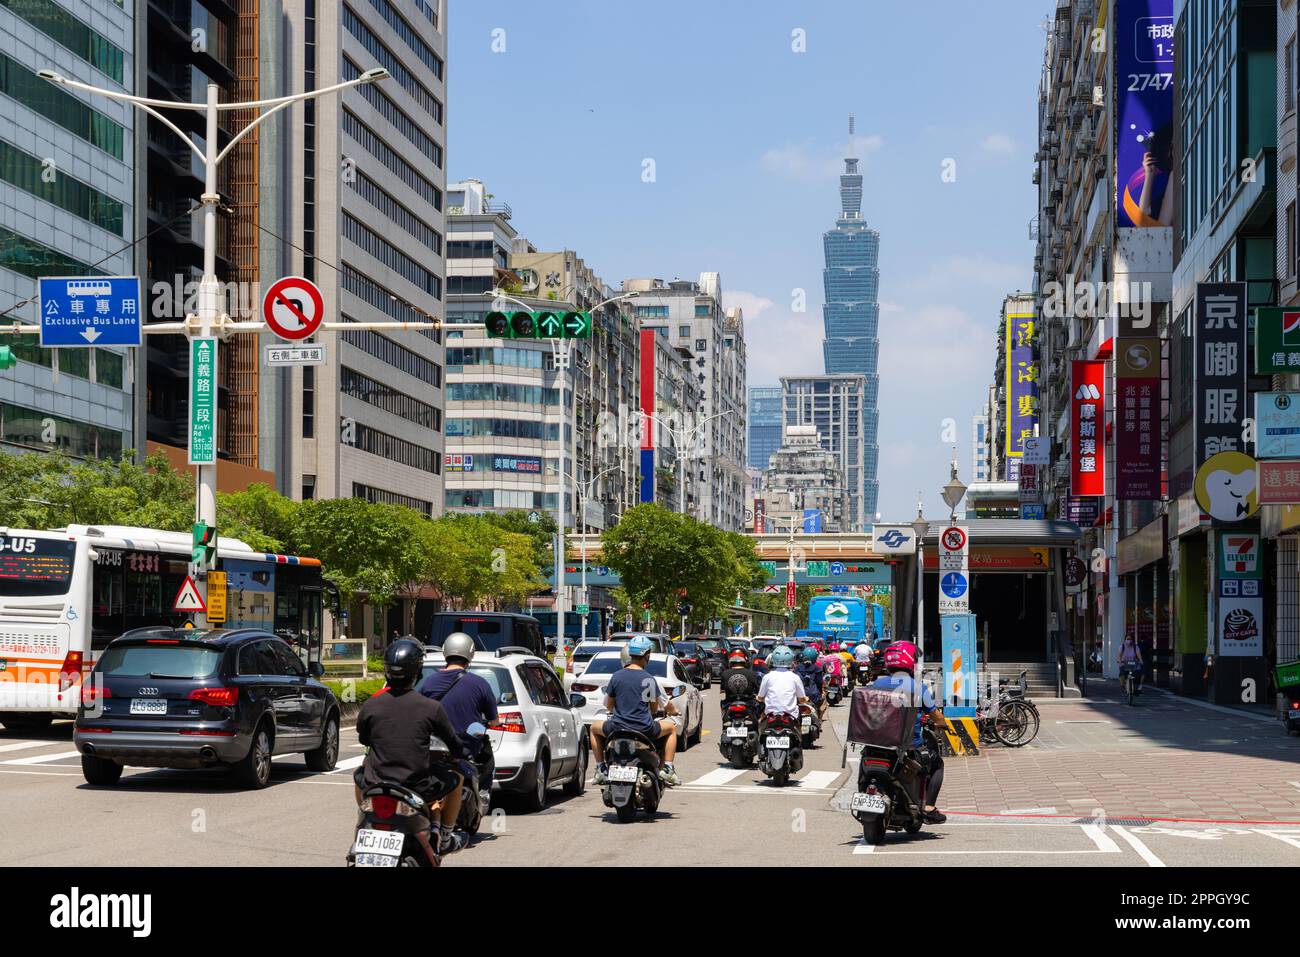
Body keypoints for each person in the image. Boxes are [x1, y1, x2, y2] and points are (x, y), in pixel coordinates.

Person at [356, 638, 466, 860]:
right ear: (417, 672)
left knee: (358, 773)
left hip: (375, 785)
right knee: (458, 777)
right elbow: (455, 746)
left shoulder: (371, 705)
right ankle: (445, 835)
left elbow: (364, 739)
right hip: (416, 786)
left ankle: (364, 816)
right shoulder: (431, 708)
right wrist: (457, 754)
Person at [417, 632, 499, 827]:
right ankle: (483, 795)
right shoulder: (480, 684)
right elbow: (494, 720)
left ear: (445, 652)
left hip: (431, 748)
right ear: (470, 654)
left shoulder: (428, 682)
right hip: (464, 749)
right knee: (487, 759)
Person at [870, 641, 949, 825]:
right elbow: (936, 716)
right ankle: (928, 807)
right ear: (909, 662)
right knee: (937, 764)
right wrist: (943, 725)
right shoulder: (917, 687)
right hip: (908, 746)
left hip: (876, 744)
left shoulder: (876, 684)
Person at [591, 636, 681, 786]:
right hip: (644, 729)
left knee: (594, 729)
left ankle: (601, 767)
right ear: (646, 655)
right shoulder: (649, 679)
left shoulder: (616, 677)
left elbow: (608, 705)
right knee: (671, 729)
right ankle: (668, 768)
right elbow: (653, 709)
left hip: (617, 728)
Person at [757, 645, 808, 723]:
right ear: (791, 659)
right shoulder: (795, 677)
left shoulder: (767, 677)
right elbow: (801, 699)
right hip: (791, 716)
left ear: (773, 659)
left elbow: (760, 697)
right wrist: (806, 699)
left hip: (770, 716)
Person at [719, 649, 761, 716]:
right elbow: (758, 689)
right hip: (748, 703)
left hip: (729, 703)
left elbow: (722, 689)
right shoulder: (751, 673)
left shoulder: (725, 673)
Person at [795, 645, 826, 722]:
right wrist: (821, 693)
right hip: (814, 696)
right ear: (815, 657)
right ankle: (819, 719)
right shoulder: (817, 669)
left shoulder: (797, 669)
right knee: (824, 702)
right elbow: (819, 683)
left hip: (799, 696)